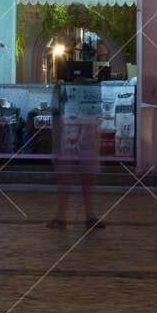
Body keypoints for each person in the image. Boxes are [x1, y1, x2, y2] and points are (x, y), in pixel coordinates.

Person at [47, 82, 105, 230]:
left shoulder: (76, 87)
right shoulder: (63, 87)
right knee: (66, 176)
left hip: (80, 130)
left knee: (86, 176)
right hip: (69, 130)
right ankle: (64, 216)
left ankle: (85, 215)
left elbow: (55, 111)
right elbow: (55, 112)